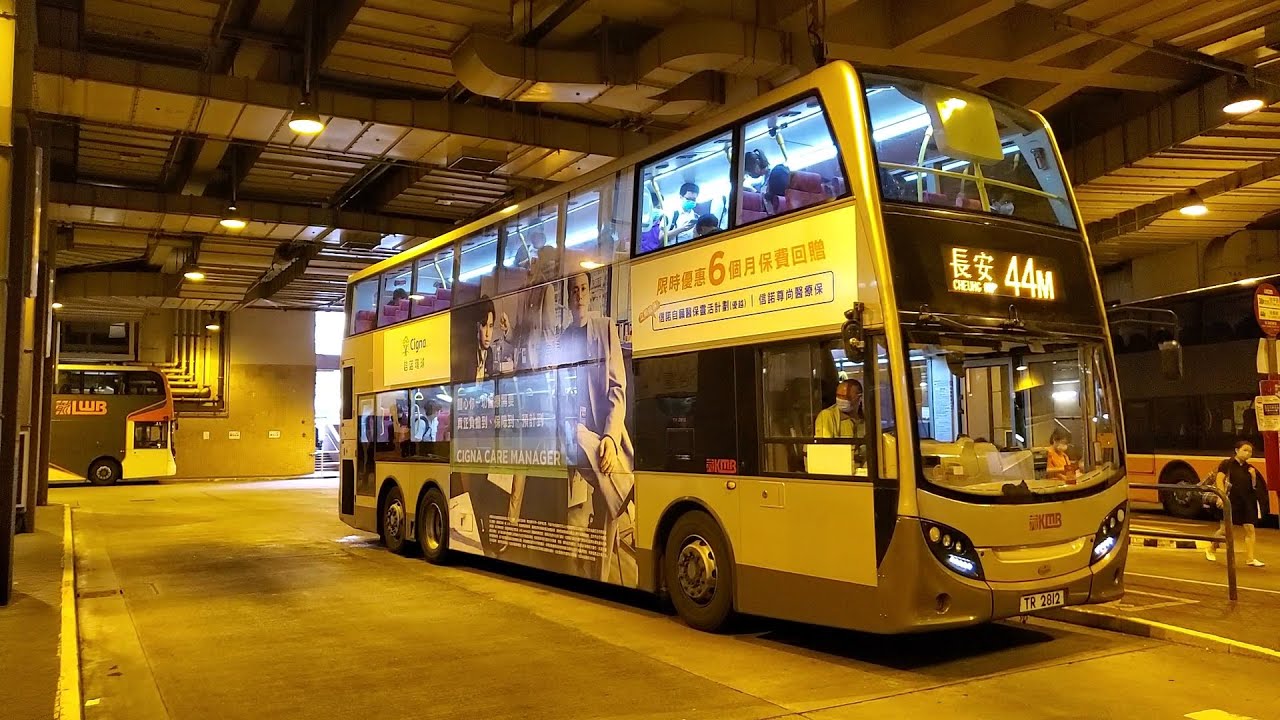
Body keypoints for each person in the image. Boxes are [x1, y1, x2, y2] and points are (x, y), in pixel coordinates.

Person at [558, 271, 636, 584]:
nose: (578, 294)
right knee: (577, 434)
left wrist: (609, 438)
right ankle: (624, 492)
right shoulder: (563, 339)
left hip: (604, 437)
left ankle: (601, 578)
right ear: (567, 298)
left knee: (606, 510)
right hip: (577, 436)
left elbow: (618, 388)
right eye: (573, 290)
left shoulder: (605, 328)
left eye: (583, 288)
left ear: (589, 293)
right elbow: (562, 392)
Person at [1209, 440, 1266, 567]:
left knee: (1250, 529)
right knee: (1225, 530)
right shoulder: (1226, 464)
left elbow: (1254, 487)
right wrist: (1221, 497)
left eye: (1250, 451)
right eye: (1245, 450)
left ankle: (1250, 558)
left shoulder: (1249, 468)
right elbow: (1220, 480)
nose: (1248, 453)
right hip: (1230, 501)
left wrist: (1253, 477)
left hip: (1246, 502)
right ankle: (1211, 548)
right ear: (1236, 450)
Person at [469, 297, 513, 381]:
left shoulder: (489, 352)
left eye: (491, 326)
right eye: (484, 326)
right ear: (478, 326)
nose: (487, 333)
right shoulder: (469, 354)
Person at [744, 148, 792, 215]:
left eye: (749, 171)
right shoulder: (763, 182)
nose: (750, 175)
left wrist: (753, 192)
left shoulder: (778, 172)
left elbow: (778, 198)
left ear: (757, 162)